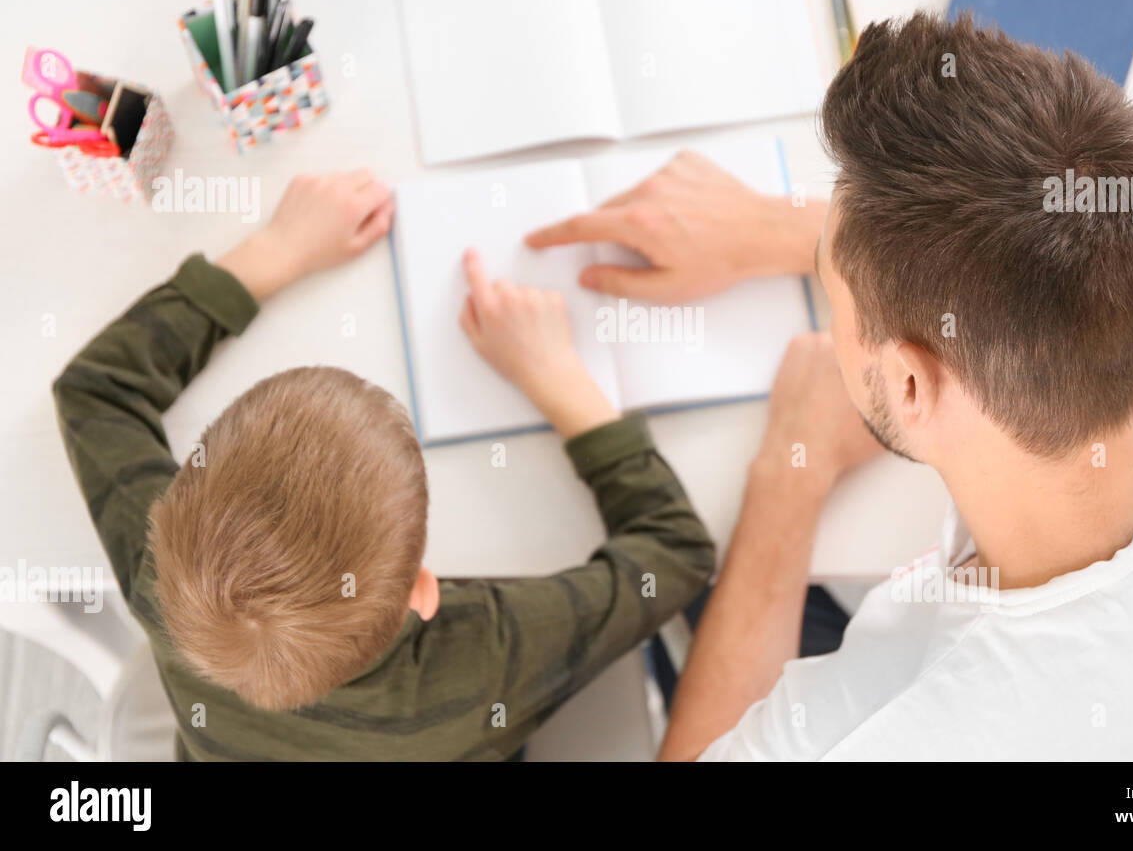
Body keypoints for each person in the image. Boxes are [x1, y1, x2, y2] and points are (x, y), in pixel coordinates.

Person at [528, 12, 1133, 760]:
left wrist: (791, 476)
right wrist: (780, 229)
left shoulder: (873, 725)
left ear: (908, 386)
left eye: (835, 296)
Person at [52, 170, 714, 760]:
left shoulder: (157, 575)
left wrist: (278, 247)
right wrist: (560, 377)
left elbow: (96, 390)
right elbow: (678, 555)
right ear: (423, 592)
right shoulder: (483, 655)